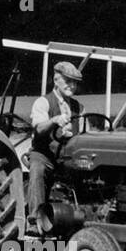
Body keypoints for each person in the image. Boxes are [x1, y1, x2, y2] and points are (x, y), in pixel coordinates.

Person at [27, 61, 84, 223]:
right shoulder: (43, 102)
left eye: (74, 83)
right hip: (45, 154)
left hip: (67, 156)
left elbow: (86, 130)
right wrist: (55, 120)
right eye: (68, 81)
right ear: (56, 80)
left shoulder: (78, 107)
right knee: (37, 169)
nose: (72, 86)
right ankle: (35, 218)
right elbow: (39, 129)